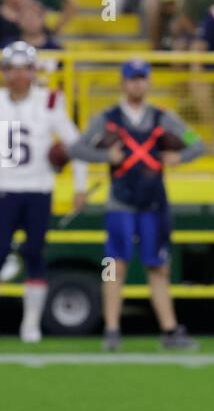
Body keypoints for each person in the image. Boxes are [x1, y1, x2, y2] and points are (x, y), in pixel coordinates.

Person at [70, 59, 204, 350]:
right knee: (115, 266)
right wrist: (107, 158)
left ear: (149, 82)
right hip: (121, 202)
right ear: (123, 82)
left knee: (158, 268)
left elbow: (197, 143)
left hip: (153, 203)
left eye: (142, 79)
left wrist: (179, 157)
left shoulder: (163, 117)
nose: (138, 84)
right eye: (133, 79)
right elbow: (77, 147)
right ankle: (112, 330)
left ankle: (169, 331)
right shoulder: (108, 118)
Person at [0, 42, 86, 344]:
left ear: (34, 71)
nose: (18, 75)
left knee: (34, 256)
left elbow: (76, 144)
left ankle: (30, 326)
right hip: (5, 190)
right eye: (12, 68)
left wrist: (80, 186)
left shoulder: (50, 101)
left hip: (39, 190)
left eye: (25, 68)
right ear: (3, 72)